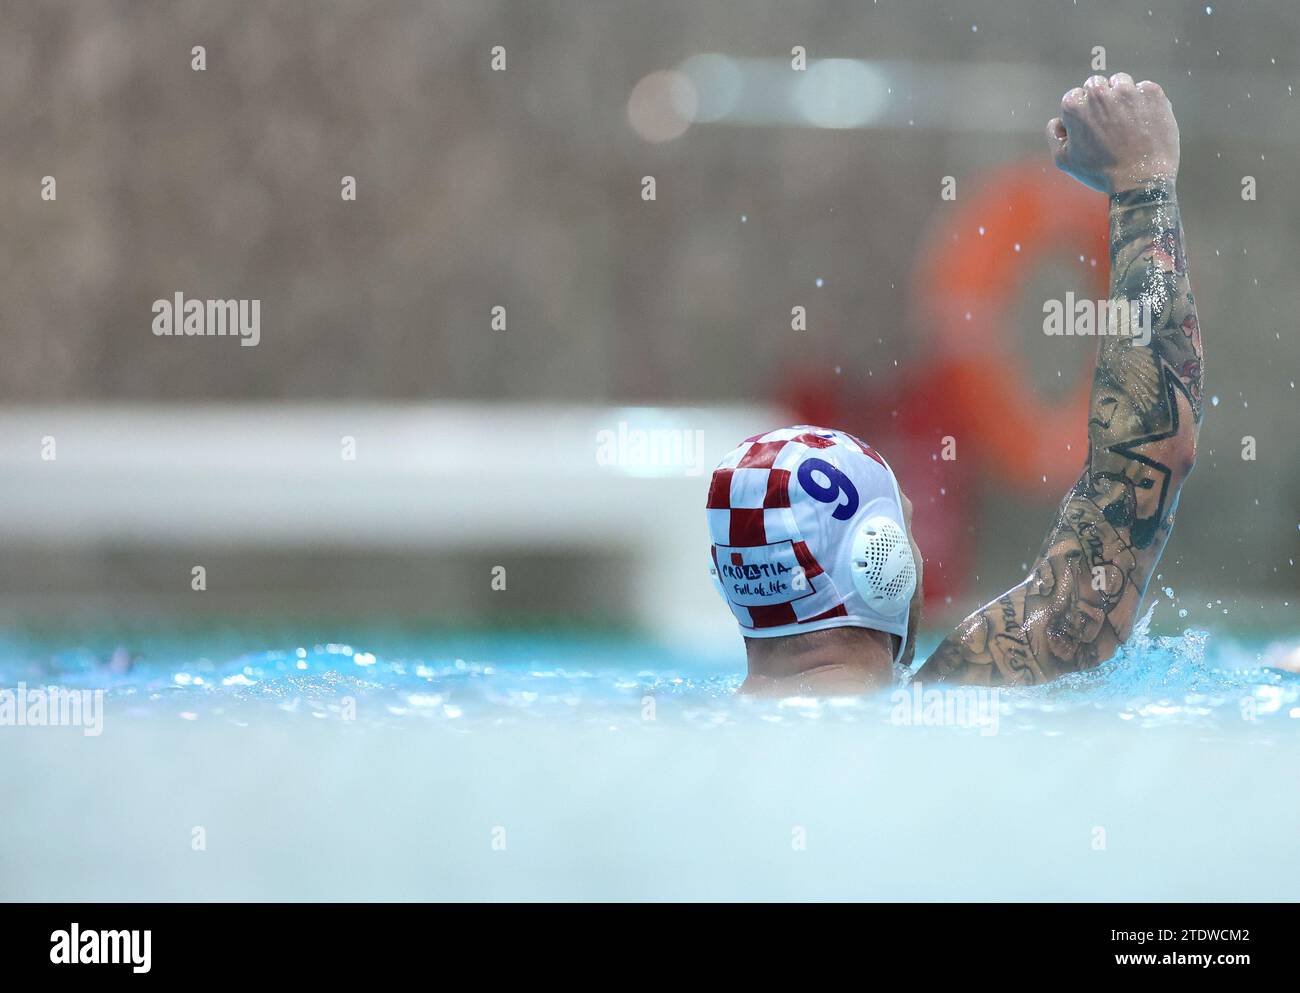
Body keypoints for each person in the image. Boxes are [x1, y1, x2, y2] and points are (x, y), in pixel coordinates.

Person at [705, 73, 1204, 694]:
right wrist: (1144, 179)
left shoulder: (670, 728)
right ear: (877, 561)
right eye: (903, 529)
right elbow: (1151, 455)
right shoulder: (956, 699)